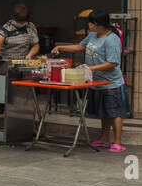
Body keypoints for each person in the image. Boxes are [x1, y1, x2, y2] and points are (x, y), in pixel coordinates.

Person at [51, 9, 130, 152]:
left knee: (115, 113)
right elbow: (80, 47)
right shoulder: (93, 35)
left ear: (99, 24)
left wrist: (91, 68)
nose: (89, 26)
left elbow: (113, 63)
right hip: (97, 82)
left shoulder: (112, 40)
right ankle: (104, 139)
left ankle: (118, 142)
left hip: (111, 83)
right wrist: (60, 47)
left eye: (91, 23)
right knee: (104, 113)